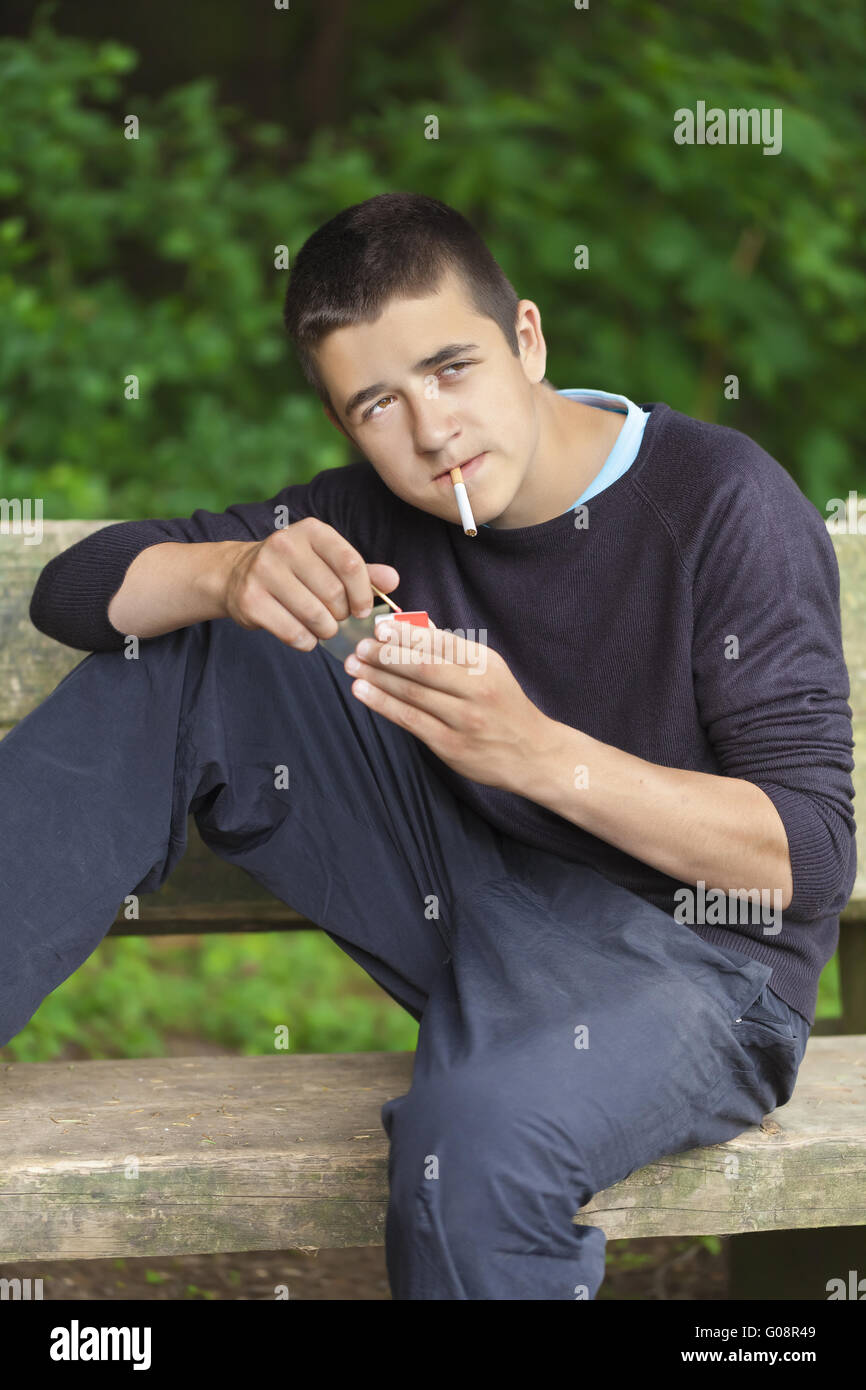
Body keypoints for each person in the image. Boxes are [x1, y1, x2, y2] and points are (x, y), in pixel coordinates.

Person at [9, 192, 856, 1300]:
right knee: (196, 646)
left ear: (527, 339)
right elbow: (72, 593)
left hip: (695, 962)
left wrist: (537, 753)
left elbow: (804, 860)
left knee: (472, 1151)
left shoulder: (718, 500)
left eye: (452, 368)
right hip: (469, 904)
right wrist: (230, 573)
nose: (429, 431)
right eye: (376, 405)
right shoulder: (371, 510)